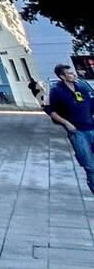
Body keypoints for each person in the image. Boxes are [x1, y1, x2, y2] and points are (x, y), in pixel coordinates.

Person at [45, 64, 94, 195]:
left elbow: (91, 103)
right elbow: (51, 110)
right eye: (70, 73)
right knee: (89, 164)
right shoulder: (57, 91)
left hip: (91, 126)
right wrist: (66, 123)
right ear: (62, 77)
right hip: (77, 131)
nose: (73, 75)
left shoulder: (82, 86)